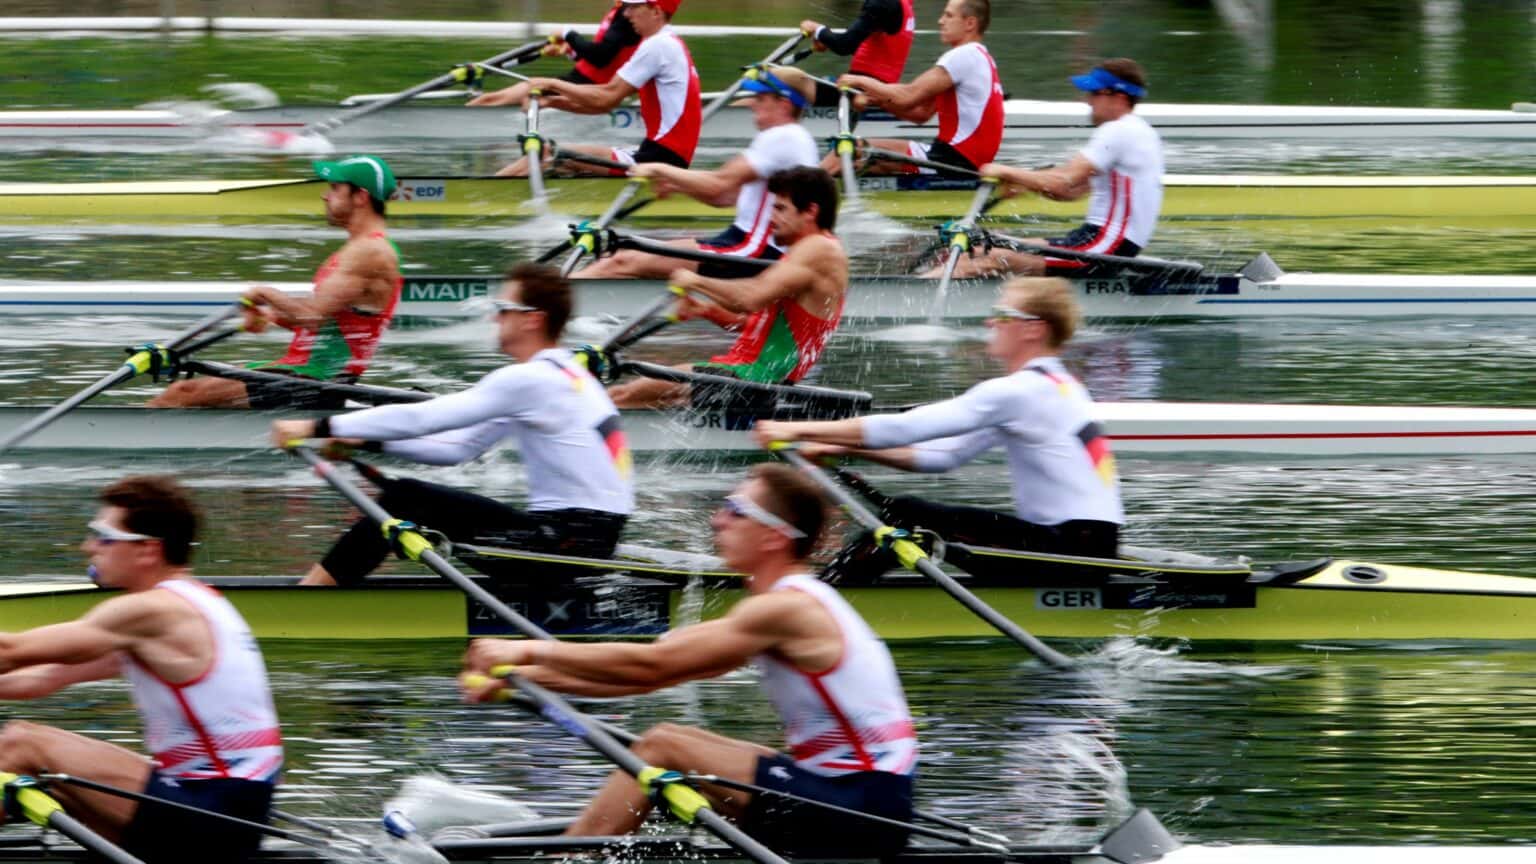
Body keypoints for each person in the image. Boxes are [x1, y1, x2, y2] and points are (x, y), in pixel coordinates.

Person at [460, 463, 918, 860]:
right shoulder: (789, 603)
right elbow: (646, 673)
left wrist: (526, 648)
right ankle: (590, 844)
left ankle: (572, 858)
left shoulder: (787, 608)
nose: (718, 520)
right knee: (676, 741)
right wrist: (521, 678)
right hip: (858, 797)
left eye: (735, 511)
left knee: (662, 746)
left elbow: (651, 666)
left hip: (860, 807)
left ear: (774, 537)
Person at [269, 264, 633, 587]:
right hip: (584, 539)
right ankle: (322, 587)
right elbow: (456, 448)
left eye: (503, 310)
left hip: (563, 545)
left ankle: (311, 597)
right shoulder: (568, 376)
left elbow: (423, 419)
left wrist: (318, 427)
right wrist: (364, 441)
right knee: (408, 495)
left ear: (533, 318)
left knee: (404, 498)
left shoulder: (530, 379)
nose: (495, 319)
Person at [753, 277, 1123, 581]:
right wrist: (843, 449)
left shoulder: (1020, 390)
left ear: (1033, 329)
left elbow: (904, 429)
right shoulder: (1061, 386)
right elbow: (942, 456)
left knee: (912, 516)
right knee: (906, 512)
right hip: (1088, 547)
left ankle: (822, 598)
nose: (989, 322)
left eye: (1001, 314)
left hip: (1070, 552)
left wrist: (798, 429)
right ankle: (833, 587)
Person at [0, 476, 282, 863]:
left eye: (102, 536)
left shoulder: (155, 610)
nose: (89, 547)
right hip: (220, 810)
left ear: (148, 549)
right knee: (43, 776)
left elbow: (8, 651)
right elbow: (42, 677)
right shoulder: (192, 606)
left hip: (213, 819)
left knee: (22, 742)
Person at [150, 155, 403, 410]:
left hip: (314, 380)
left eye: (335, 188)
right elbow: (328, 323)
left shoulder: (370, 251)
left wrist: (265, 292)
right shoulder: (361, 248)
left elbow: (312, 317)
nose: (326, 196)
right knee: (199, 389)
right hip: (306, 374)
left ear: (360, 197)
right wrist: (271, 316)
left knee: (181, 393)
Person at [606, 167, 847, 409]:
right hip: (748, 377)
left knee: (618, 398)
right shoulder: (809, 251)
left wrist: (696, 281)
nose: (770, 217)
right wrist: (707, 311)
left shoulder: (819, 249)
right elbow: (760, 325)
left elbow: (752, 297)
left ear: (810, 212)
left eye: (780, 208)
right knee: (634, 400)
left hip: (751, 378)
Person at [574, 69, 819, 279]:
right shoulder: (795, 139)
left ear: (784, 104)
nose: (753, 103)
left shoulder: (783, 137)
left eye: (761, 97)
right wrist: (679, 185)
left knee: (621, 261)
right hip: (747, 244)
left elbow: (718, 185)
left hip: (754, 251)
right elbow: (725, 197)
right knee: (622, 257)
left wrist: (660, 168)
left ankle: (549, 307)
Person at [933, 58, 1164, 279]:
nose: (1088, 100)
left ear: (1120, 97)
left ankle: (906, 302)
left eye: (1095, 93)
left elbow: (1064, 181)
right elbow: (1070, 191)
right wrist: (1025, 183)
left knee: (985, 256)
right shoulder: (1139, 131)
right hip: (1098, 241)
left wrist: (1006, 172)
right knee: (980, 246)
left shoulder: (1118, 130)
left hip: (1105, 248)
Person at [494, 0, 700, 177]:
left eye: (634, 7)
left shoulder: (658, 46)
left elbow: (606, 98)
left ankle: (481, 198)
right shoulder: (668, 43)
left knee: (546, 154)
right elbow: (602, 106)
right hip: (655, 153)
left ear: (656, 12)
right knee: (557, 160)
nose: (626, 14)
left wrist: (551, 84)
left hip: (660, 161)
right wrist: (552, 101)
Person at [823, 0, 1002, 177]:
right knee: (857, 160)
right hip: (960, 158)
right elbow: (921, 113)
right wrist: (877, 100)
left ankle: (803, 195)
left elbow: (908, 95)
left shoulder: (964, 55)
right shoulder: (980, 57)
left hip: (953, 161)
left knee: (845, 152)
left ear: (970, 23)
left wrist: (859, 81)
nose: (941, 21)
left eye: (949, 15)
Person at [467, 2, 642, 109]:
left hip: (590, 89)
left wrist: (568, 34)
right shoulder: (623, 10)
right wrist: (571, 51)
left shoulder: (628, 14)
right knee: (494, 99)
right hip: (581, 81)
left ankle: (462, 119)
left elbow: (601, 57)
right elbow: (609, 56)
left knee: (491, 99)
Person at [772, 0, 917, 110]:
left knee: (777, 75)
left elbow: (844, 45)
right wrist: (826, 40)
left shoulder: (882, 2)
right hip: (872, 87)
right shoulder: (902, 4)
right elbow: (865, 44)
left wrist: (817, 29)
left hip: (863, 91)